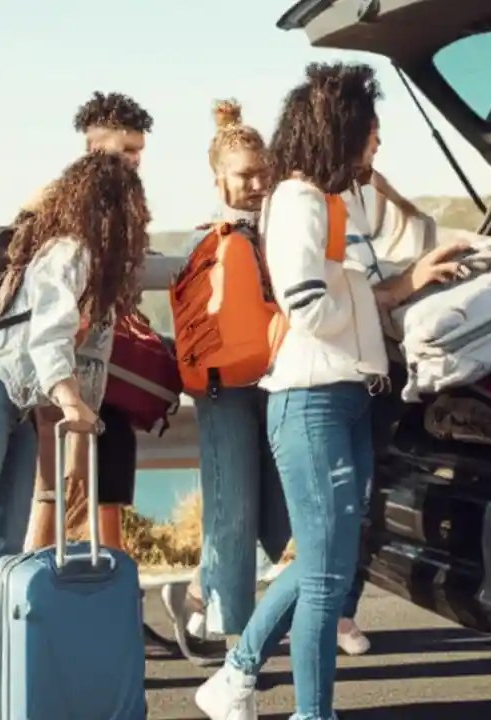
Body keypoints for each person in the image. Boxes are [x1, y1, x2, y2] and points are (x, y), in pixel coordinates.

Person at [194, 62, 469, 720]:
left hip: (341, 396)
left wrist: (407, 284)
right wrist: (359, 292)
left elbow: (341, 298)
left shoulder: (328, 201)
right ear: (341, 134)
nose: (376, 145)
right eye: (369, 134)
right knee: (324, 573)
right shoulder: (297, 201)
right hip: (312, 400)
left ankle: (234, 679)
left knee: (331, 559)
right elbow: (309, 305)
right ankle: (310, 712)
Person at [0, 151, 151, 720]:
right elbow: (48, 338)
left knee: (4, 550)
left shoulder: (88, 260)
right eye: (126, 209)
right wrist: (71, 402)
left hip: (17, 403)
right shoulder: (67, 252)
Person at [158, 99, 292, 662]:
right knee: (233, 513)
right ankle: (237, 648)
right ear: (218, 180)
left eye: (264, 172)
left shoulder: (285, 229)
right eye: (244, 175)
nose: (258, 184)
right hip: (224, 393)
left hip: (279, 382)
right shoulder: (204, 243)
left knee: (277, 518)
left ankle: (193, 594)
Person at [24, 91, 155, 554]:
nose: (136, 161)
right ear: (93, 148)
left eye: (139, 151)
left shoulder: (119, 204)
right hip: (61, 381)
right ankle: (35, 603)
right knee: (54, 501)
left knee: (105, 493)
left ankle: (116, 612)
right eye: (126, 151)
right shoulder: (58, 204)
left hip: (102, 374)